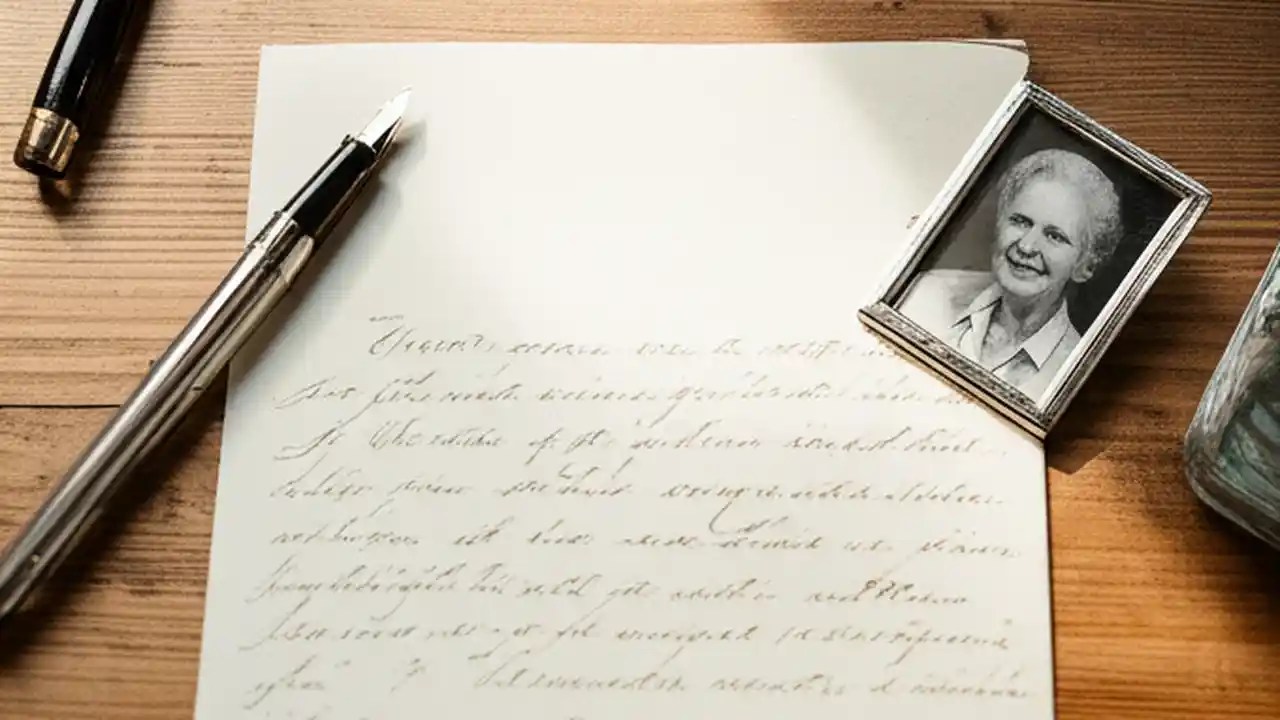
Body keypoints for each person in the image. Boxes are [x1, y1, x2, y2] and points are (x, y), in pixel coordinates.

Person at [898, 148, 1122, 399]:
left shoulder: (1072, 373)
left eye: (1054, 236)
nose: (1026, 246)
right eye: (1020, 221)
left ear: (1086, 266)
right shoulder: (928, 294)